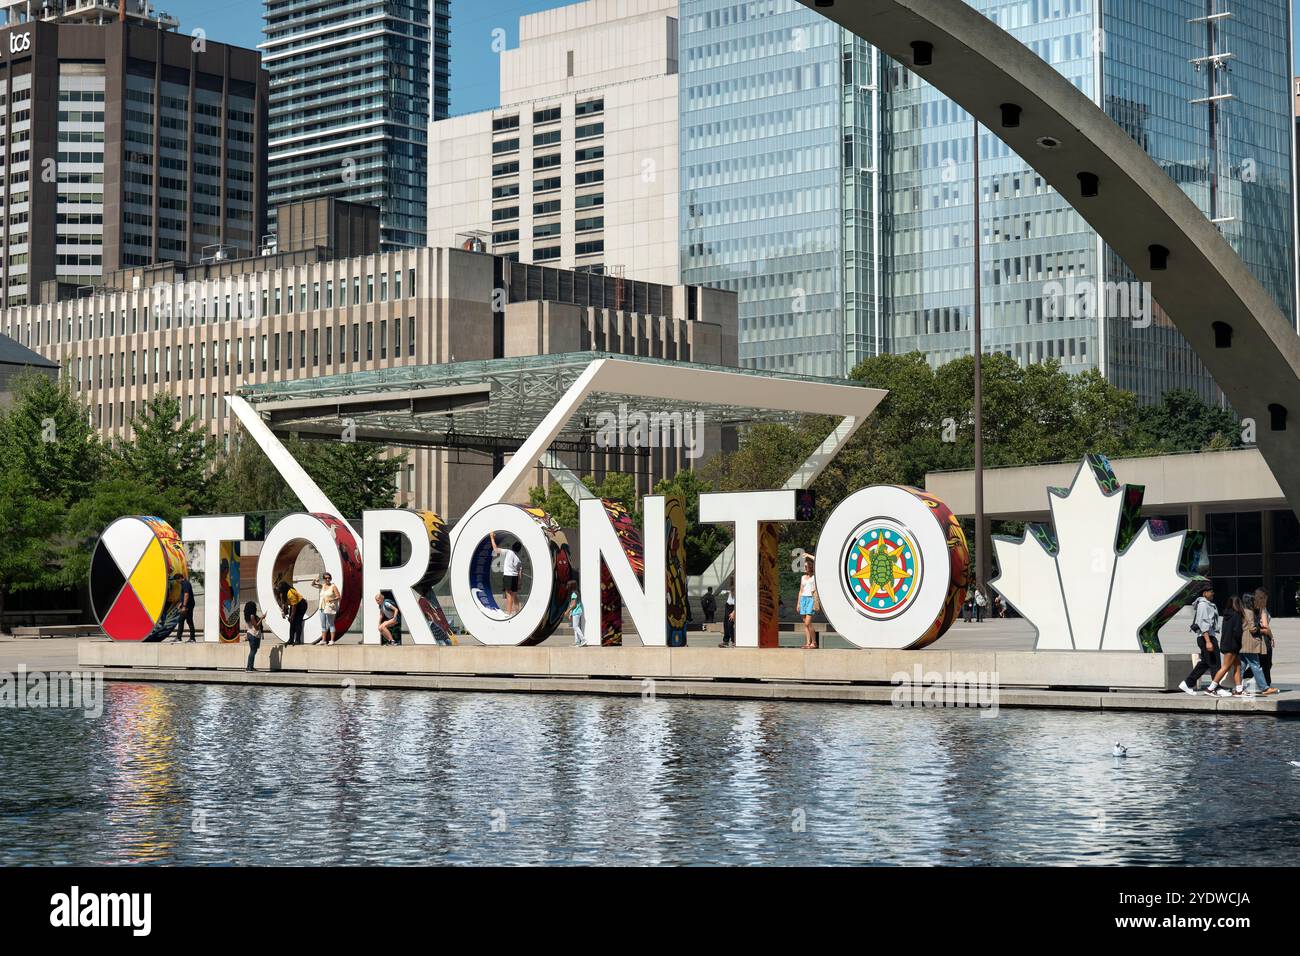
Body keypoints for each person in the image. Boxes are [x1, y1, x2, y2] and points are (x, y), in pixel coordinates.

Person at [1180, 584, 1220, 695]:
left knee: (1206, 663)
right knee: (1215, 663)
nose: (1212, 593)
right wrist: (1208, 641)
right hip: (1206, 637)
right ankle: (1215, 688)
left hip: (1206, 637)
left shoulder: (1206, 604)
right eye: (1210, 591)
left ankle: (1188, 683)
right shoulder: (1203, 605)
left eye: (1212, 591)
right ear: (1204, 593)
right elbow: (1203, 624)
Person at [1240, 590, 1279, 696]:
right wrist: (1270, 636)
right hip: (1251, 642)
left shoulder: (1248, 610)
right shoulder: (1252, 611)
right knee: (1258, 664)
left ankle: (1237, 686)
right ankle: (1265, 687)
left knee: (1243, 665)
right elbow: (1257, 628)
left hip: (1246, 642)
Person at [1207, 594, 1244, 697]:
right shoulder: (1236, 615)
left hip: (1226, 643)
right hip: (1233, 645)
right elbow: (1237, 631)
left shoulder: (1226, 615)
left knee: (1238, 666)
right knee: (1225, 667)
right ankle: (1210, 689)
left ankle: (1239, 690)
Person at [490, 532, 523, 616]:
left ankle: (508, 613)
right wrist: (519, 583)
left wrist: (492, 538)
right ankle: (517, 611)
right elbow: (520, 573)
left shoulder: (508, 552)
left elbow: (495, 550)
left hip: (508, 576)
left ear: (512, 547)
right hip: (515, 577)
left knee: (509, 595)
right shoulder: (518, 559)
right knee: (514, 595)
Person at [311, 572, 341, 645]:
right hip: (321, 607)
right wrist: (314, 580)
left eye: (329, 578)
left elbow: (338, 596)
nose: (328, 579)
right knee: (323, 625)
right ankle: (323, 640)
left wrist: (332, 600)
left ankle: (332, 640)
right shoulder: (323, 586)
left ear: (330, 578)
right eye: (326, 578)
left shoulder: (333, 586)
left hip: (329, 607)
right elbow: (313, 584)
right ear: (324, 579)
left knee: (331, 624)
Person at [276, 581, 308, 646]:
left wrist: (292, 616)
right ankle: (291, 639)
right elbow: (283, 604)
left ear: (284, 588)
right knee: (292, 622)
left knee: (297, 621)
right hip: (294, 605)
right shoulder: (282, 593)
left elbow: (294, 606)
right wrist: (283, 612)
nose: (278, 590)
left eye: (280, 588)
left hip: (301, 605)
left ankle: (297, 640)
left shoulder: (290, 593)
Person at [798, 555, 820, 649]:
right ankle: (808, 643)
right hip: (803, 599)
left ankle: (814, 642)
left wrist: (807, 555)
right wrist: (798, 603)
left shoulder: (815, 576)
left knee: (808, 623)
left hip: (811, 599)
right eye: (804, 566)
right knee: (805, 624)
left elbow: (818, 560)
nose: (805, 568)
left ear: (811, 567)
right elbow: (801, 590)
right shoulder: (803, 577)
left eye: (806, 566)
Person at [1256, 587, 1275, 686]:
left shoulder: (1254, 607)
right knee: (1266, 663)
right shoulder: (1262, 608)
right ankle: (1267, 684)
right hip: (1264, 638)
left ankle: (1264, 684)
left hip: (1257, 637)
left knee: (1260, 663)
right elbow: (1266, 626)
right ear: (1263, 598)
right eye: (1266, 598)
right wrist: (1272, 637)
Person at [173, 574, 196, 642]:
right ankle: (180, 637)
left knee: (188, 621)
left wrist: (184, 606)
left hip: (188, 606)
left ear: (179, 578)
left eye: (177, 581)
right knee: (183, 620)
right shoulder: (185, 583)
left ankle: (191, 638)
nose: (177, 582)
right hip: (187, 605)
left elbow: (186, 594)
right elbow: (184, 595)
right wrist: (181, 603)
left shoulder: (185, 583)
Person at [243, 601, 264, 672]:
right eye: (254, 607)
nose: (256, 608)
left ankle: (250, 667)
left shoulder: (249, 616)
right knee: (253, 651)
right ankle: (249, 668)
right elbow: (256, 627)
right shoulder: (252, 616)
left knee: (253, 651)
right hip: (253, 635)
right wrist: (262, 619)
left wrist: (260, 618)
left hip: (252, 634)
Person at [565, 581, 586, 647]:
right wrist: (570, 613)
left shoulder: (574, 594)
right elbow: (572, 604)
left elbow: (573, 605)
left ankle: (583, 640)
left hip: (577, 612)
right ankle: (577, 641)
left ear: (571, 586)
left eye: (568, 585)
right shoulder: (575, 593)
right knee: (575, 627)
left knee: (575, 626)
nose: (567, 586)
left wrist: (567, 611)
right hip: (575, 612)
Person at [720, 580, 736, 648]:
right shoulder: (731, 589)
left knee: (730, 624)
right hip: (728, 606)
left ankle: (734, 641)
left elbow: (739, 602)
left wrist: (734, 612)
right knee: (725, 624)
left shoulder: (739, 589)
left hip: (733, 607)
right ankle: (726, 641)